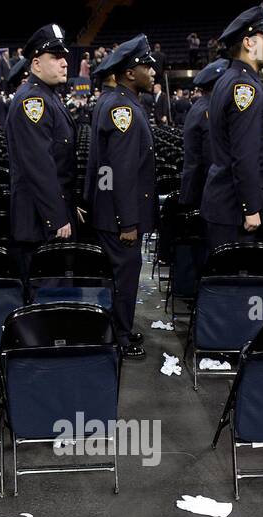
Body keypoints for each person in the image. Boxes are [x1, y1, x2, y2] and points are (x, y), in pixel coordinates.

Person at [86, 35, 157, 359]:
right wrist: (128, 221)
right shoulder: (121, 107)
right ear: (130, 72)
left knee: (120, 277)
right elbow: (123, 170)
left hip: (109, 211)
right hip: (119, 216)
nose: (152, 71)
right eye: (146, 66)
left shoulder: (115, 100)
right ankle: (119, 336)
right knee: (124, 278)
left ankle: (119, 328)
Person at [201, 4, 263, 249]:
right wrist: (250, 206)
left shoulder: (228, 80)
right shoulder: (245, 87)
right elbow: (244, 155)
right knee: (234, 284)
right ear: (248, 43)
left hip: (224, 202)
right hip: (235, 209)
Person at [6, 24, 77, 278]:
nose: (64, 63)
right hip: (41, 222)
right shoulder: (32, 101)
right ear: (36, 64)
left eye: (64, 56)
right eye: (55, 57)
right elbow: (40, 166)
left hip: (50, 214)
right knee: (47, 299)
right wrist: (57, 217)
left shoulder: (48, 95)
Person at [179, 58, 225, 210]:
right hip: (204, 190)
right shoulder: (210, 110)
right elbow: (212, 157)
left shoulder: (201, 105)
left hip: (196, 186)